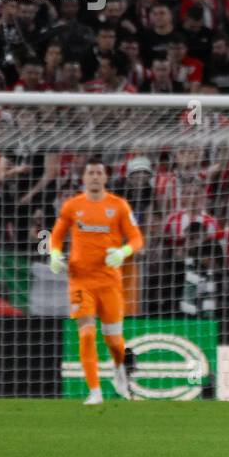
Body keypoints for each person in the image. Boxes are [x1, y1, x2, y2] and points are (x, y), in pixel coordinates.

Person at [49, 158, 145, 406]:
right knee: (87, 333)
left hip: (110, 282)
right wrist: (55, 254)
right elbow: (56, 237)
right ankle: (95, 391)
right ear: (84, 178)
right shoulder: (72, 206)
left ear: (105, 177)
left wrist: (122, 252)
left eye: (98, 173)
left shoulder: (119, 206)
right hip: (81, 281)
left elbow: (137, 239)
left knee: (114, 340)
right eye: (90, 172)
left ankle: (119, 370)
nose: (94, 176)